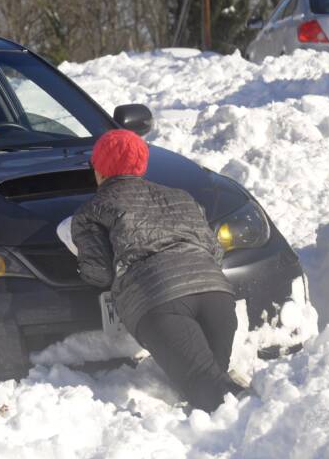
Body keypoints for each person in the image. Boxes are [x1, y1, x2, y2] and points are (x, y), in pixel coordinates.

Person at [71, 129, 245, 412]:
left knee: (209, 393)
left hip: (160, 302)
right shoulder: (181, 197)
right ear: (141, 165)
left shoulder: (93, 209)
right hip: (217, 297)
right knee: (214, 383)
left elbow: (100, 273)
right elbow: (213, 250)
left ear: (99, 168)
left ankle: (276, 423)